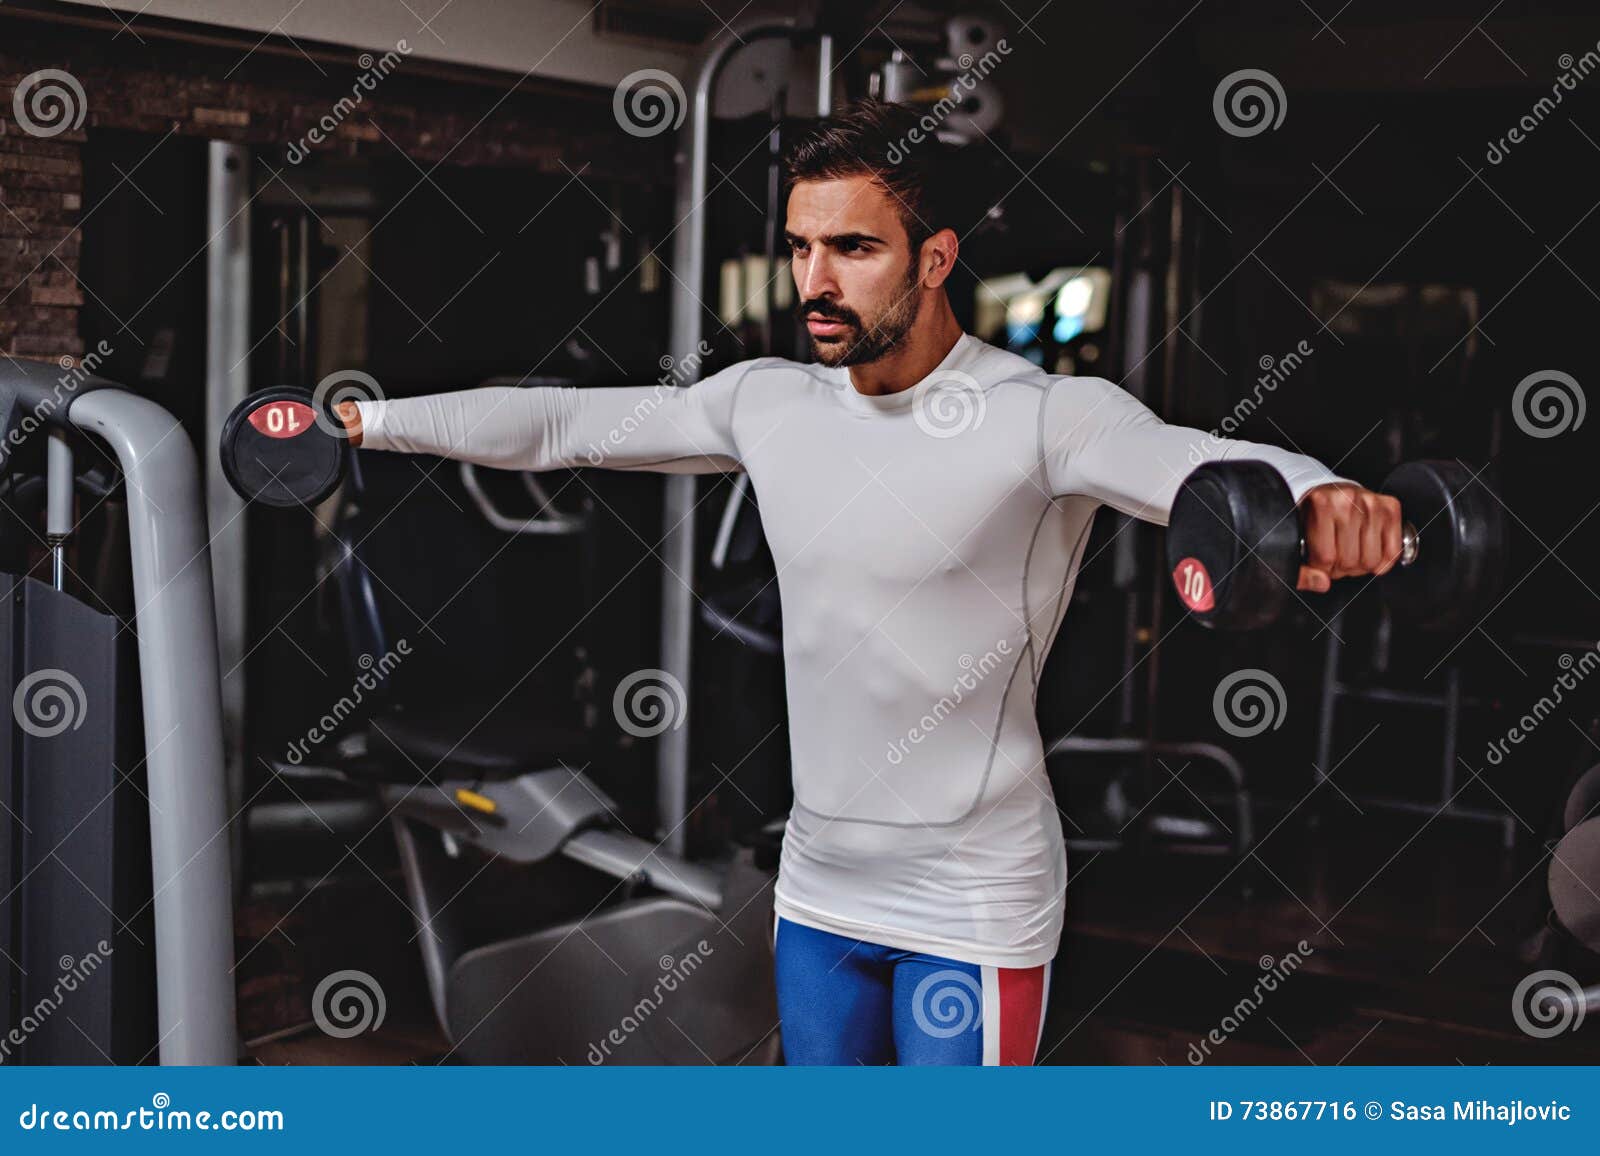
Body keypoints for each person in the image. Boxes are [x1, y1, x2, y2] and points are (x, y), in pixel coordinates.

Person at [338, 100, 1402, 1066]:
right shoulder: (766, 401)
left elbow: (1198, 467)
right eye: (801, 247)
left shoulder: (1041, 416)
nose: (816, 281)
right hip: (819, 888)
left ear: (935, 257)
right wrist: (366, 425)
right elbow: (562, 423)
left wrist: (1326, 495)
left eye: (853, 248)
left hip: (974, 899)